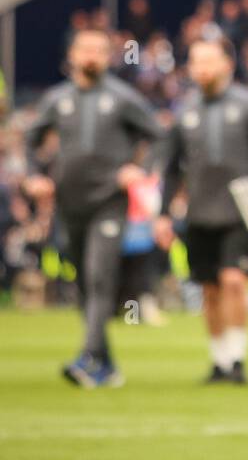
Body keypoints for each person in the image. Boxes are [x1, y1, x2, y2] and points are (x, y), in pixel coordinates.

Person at [24, 27, 162, 387]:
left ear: (109, 56)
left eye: (99, 50)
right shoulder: (57, 98)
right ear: (72, 54)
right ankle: (106, 364)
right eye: (85, 48)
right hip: (69, 206)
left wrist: (140, 169)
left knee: (100, 276)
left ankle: (87, 358)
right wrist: (33, 175)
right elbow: (31, 139)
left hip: (108, 204)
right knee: (83, 284)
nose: (91, 56)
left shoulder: (123, 98)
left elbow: (159, 136)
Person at [153, 34, 248, 384]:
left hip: (241, 209)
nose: (202, 68)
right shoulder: (184, 111)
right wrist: (163, 214)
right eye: (196, 61)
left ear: (227, 63)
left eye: (209, 60)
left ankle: (237, 359)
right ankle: (220, 361)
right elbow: (171, 169)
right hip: (198, 212)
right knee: (208, 288)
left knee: (234, 281)